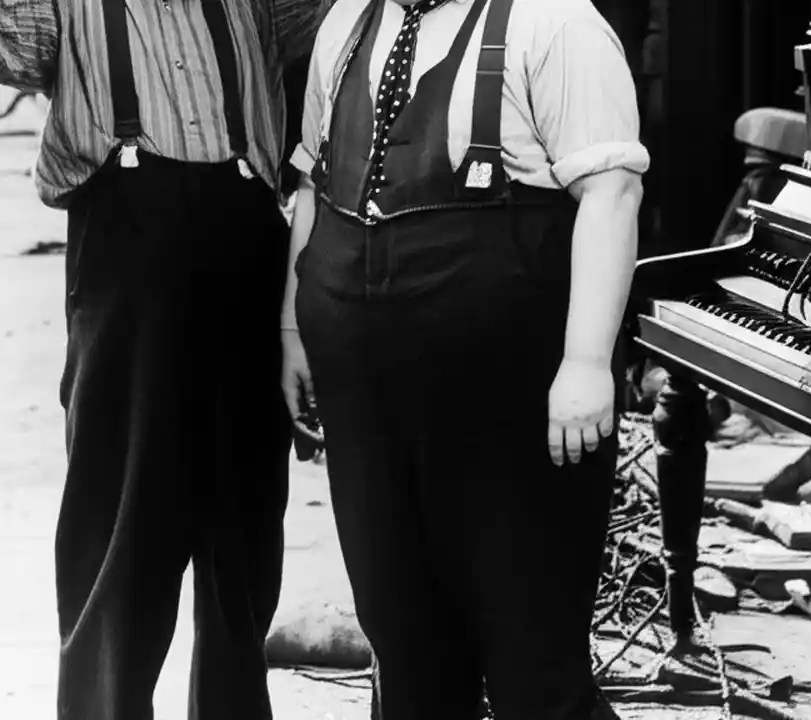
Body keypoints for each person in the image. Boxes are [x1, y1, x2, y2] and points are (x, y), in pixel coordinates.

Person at [281, 0, 647, 717]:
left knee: (533, 661)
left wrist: (585, 362)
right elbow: (312, 188)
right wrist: (293, 335)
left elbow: (612, 194)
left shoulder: (557, 24)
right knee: (405, 644)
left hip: (507, 407)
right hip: (367, 403)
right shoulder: (348, 24)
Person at [0, 2, 331, 718]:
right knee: (121, 520)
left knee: (243, 531)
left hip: (246, 236)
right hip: (126, 242)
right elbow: (14, 51)